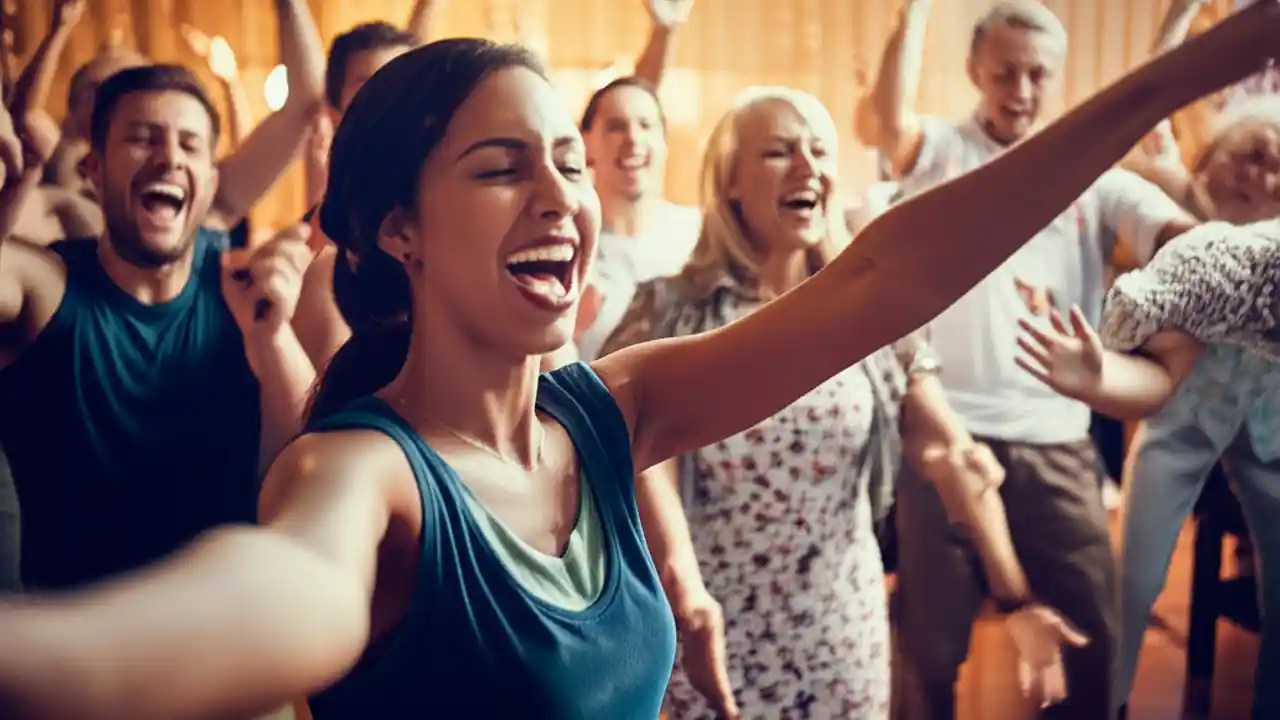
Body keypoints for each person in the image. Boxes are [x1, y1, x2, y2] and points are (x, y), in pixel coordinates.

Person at [0, 3, 1275, 714]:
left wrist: (1197, 67)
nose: (558, 194)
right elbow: (281, 592)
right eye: (500, 167)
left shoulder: (613, 407)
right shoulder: (361, 476)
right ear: (398, 230)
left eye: (565, 161)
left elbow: (884, 278)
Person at [601, 85, 1084, 718]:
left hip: (839, 629)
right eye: (779, 151)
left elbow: (951, 454)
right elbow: (641, 454)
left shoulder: (872, 317)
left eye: (820, 151)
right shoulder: (672, 309)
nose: (807, 166)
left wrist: (1015, 596)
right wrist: (683, 586)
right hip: (709, 623)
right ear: (731, 182)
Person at [857, 2, 1202, 716]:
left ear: (1057, 76)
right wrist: (913, 14)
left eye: (1037, 75)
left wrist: (1193, 237)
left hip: (1056, 441)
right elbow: (891, 121)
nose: (1020, 90)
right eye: (1004, 73)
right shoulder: (941, 152)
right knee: (928, 651)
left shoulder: (1089, 170)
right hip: (946, 437)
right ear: (975, 72)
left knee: (1094, 641)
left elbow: (1180, 235)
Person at [0, 0, 325, 592]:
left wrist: (274, 337)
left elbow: (306, 470)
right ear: (94, 169)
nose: (170, 157)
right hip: (76, 638)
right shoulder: (45, 286)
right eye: (142, 139)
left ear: (211, 179)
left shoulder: (240, 291)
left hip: (226, 622)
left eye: (189, 145)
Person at [1020, 93, 1280, 718]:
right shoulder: (1171, 202)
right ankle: (1106, 703)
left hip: (1270, 428)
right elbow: (1140, 126)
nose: (1263, 178)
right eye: (1251, 156)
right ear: (1209, 157)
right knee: (1132, 581)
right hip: (1180, 416)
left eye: (1279, 168)